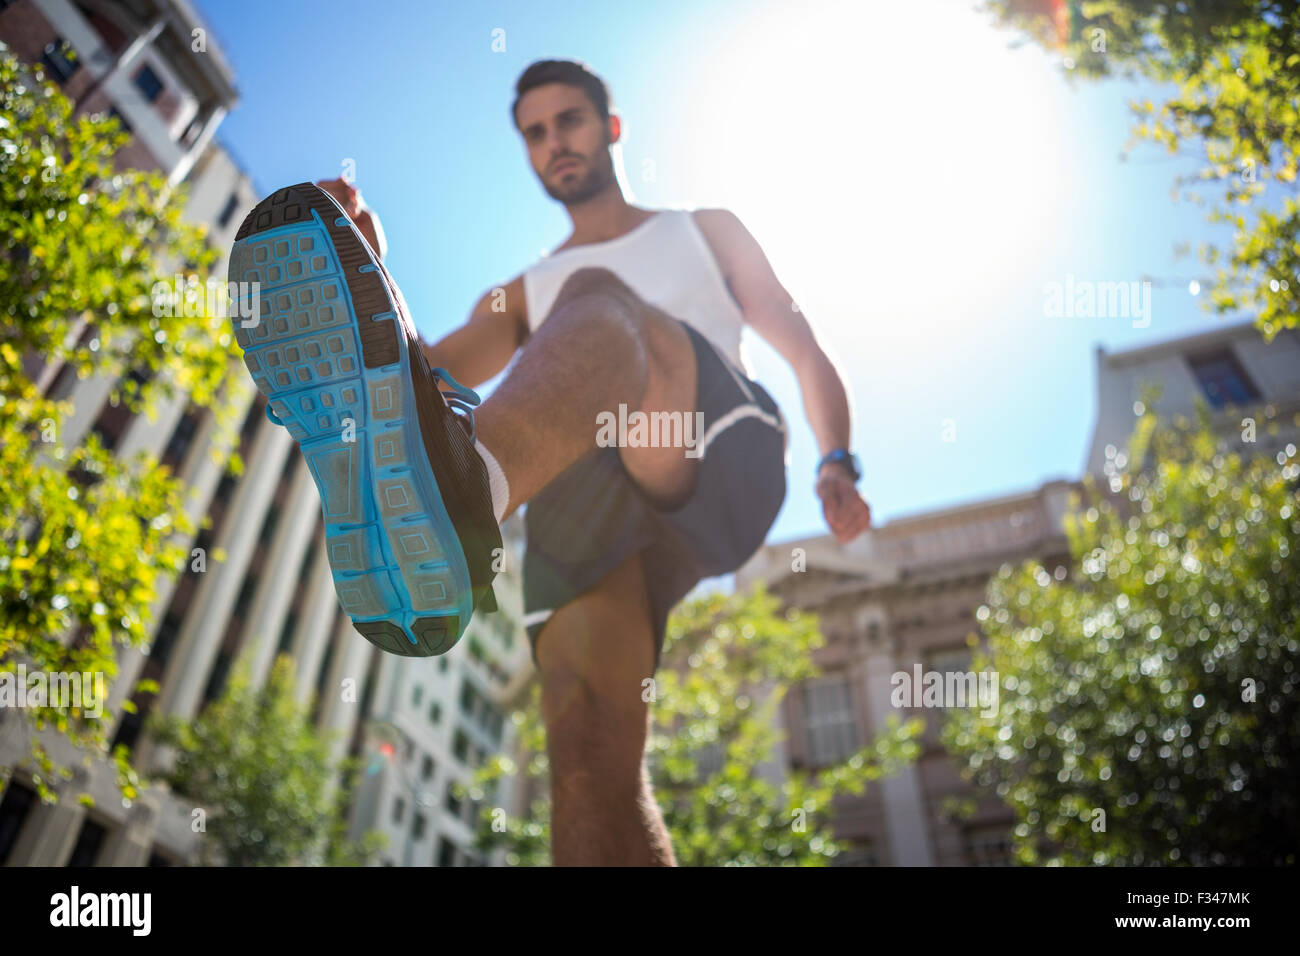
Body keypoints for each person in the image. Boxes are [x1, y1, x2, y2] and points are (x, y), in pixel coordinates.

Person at [228, 58, 870, 866]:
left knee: (599, 295)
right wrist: (369, 275)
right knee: (586, 754)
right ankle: (465, 493)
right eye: (535, 133)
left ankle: (470, 496)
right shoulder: (524, 290)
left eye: (568, 120)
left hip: (714, 448)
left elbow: (803, 348)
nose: (553, 142)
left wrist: (836, 460)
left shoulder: (703, 228)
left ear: (611, 126)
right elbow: (419, 376)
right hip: (588, 494)